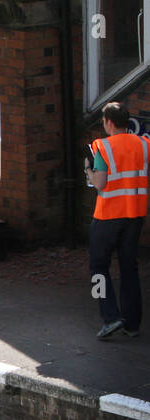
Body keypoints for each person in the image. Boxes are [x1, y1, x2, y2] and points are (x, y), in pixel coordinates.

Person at [88, 101, 147, 339]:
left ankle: (109, 317)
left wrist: (88, 172)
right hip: (136, 214)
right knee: (129, 267)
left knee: (98, 268)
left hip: (107, 216)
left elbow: (100, 183)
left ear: (109, 122)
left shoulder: (102, 147)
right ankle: (133, 324)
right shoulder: (144, 144)